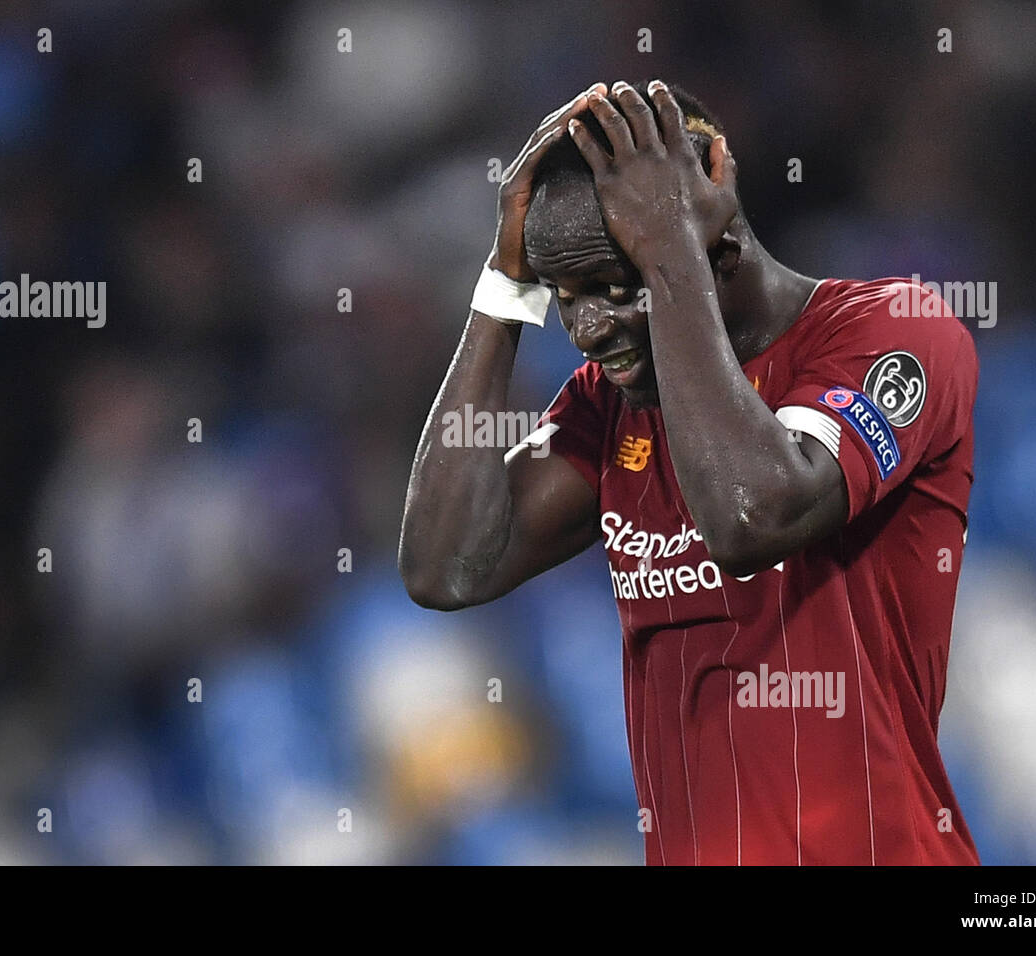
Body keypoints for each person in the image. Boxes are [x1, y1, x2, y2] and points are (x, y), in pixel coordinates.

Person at [399, 80, 980, 865]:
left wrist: (667, 249)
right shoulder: (611, 408)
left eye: (612, 285)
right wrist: (503, 291)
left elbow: (755, 517)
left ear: (720, 239)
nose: (588, 331)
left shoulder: (891, 329)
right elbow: (447, 567)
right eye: (565, 297)